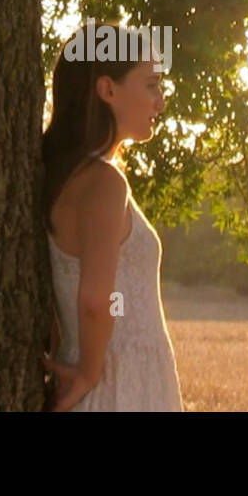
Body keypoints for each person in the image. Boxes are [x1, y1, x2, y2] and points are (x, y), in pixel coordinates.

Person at [39, 22, 184, 411]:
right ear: (107, 90)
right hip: (114, 387)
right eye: (151, 85)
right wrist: (89, 373)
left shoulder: (69, 175)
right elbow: (93, 299)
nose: (160, 102)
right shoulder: (103, 183)